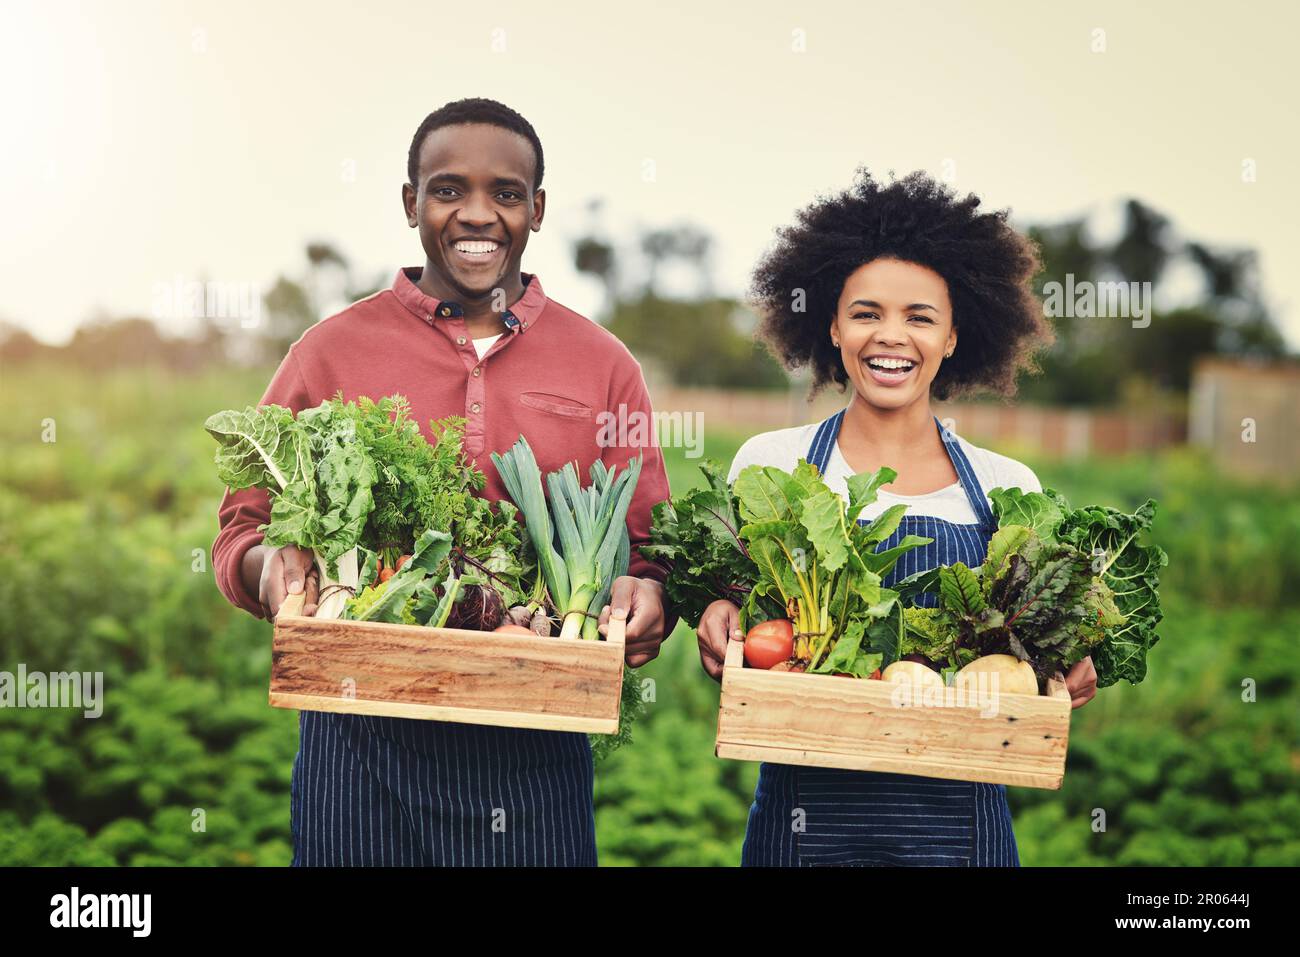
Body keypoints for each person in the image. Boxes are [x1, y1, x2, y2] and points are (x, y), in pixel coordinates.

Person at [213, 97, 674, 866]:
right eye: (448, 189)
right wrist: (272, 570)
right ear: (410, 203)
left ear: (537, 209)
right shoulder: (330, 351)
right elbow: (242, 531)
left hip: (534, 731)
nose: (477, 215)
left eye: (506, 193)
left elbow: (649, 549)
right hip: (359, 730)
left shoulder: (603, 364)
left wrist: (650, 594)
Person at [696, 169, 1096, 867]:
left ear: (952, 338)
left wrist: (1064, 666)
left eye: (920, 317)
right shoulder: (772, 465)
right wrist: (718, 622)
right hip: (801, 828)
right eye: (866, 312)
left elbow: (1039, 661)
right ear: (831, 323)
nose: (891, 336)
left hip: (962, 834)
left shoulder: (1008, 486)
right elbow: (743, 624)